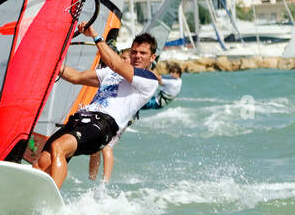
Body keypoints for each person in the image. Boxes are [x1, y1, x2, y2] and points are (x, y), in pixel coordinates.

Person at [35, 26, 160, 188]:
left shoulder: (148, 80)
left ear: (152, 57)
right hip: (80, 119)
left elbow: (116, 64)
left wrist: (95, 35)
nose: (137, 56)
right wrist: (50, 59)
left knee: (59, 147)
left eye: (143, 53)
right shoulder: (110, 73)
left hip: (102, 126)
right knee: (41, 163)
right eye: (134, 52)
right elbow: (76, 76)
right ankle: (32, 199)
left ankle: (52, 202)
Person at [89, 62, 184, 182]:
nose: (171, 74)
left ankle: (101, 179)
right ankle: (92, 179)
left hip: (160, 101)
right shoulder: (174, 80)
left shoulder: (174, 82)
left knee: (135, 104)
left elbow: (159, 79)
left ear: (178, 74)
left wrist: (151, 72)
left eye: (173, 73)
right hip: (159, 97)